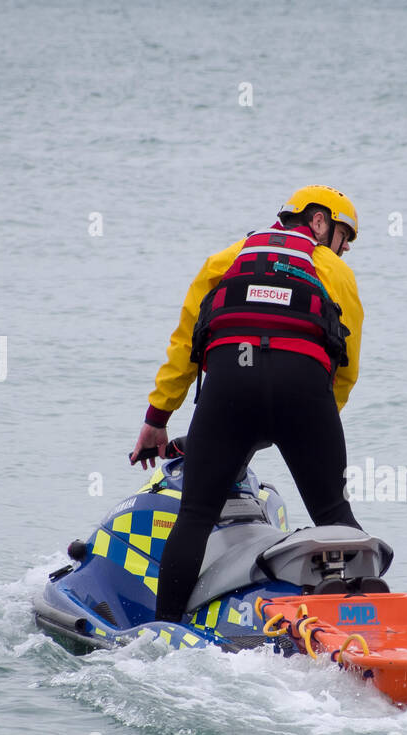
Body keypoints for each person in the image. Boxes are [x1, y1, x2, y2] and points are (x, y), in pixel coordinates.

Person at [129, 185, 365, 622]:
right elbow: (346, 365)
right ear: (318, 221)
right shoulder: (333, 270)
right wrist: (312, 422)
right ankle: (370, 624)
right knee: (333, 513)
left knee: (195, 515)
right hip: (305, 391)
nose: (345, 246)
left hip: (228, 391)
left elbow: (185, 347)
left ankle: (162, 632)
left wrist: (157, 418)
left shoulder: (224, 259)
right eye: (344, 234)